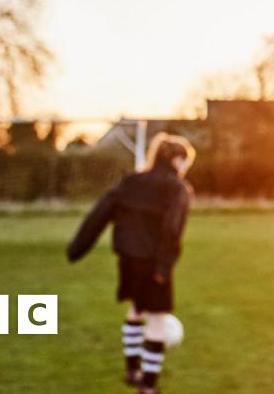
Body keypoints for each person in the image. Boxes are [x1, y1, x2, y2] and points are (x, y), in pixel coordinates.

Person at [67, 133, 196, 394]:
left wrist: (77, 247)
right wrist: (163, 268)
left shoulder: (131, 182)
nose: (185, 169)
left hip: (127, 258)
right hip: (154, 261)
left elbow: (100, 212)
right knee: (158, 319)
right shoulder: (177, 189)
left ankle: (132, 369)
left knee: (136, 309)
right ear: (176, 159)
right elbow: (172, 231)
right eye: (185, 162)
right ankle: (148, 386)